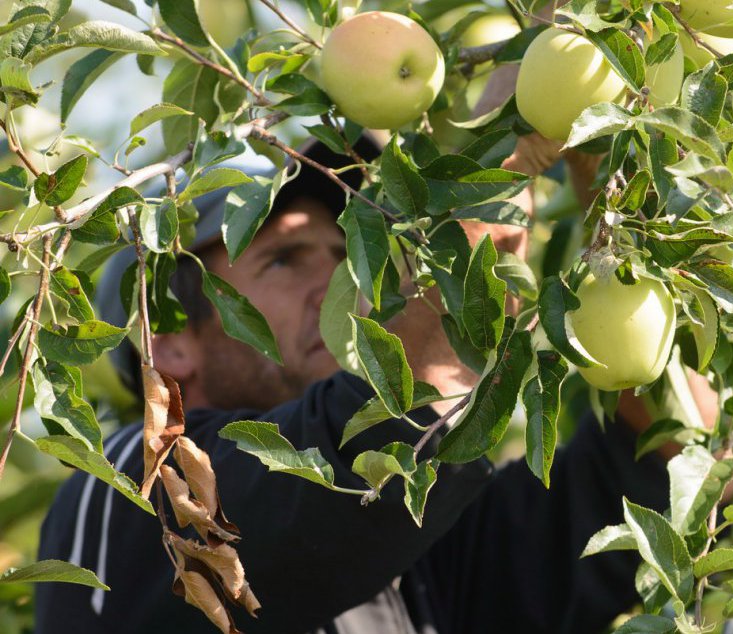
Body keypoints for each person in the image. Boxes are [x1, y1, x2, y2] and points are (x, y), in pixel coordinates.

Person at [32, 124, 691, 634]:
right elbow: (380, 427)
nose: (345, 281)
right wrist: (512, 139)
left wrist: (621, 217)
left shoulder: (407, 553)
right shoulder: (127, 487)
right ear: (172, 341)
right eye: (285, 259)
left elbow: (658, 466)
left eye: (347, 251)